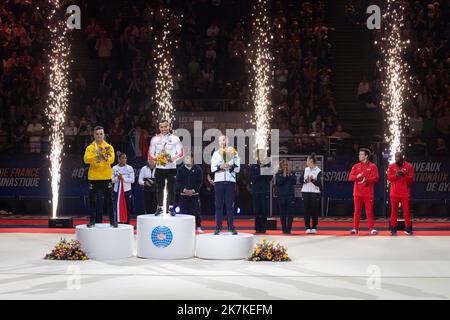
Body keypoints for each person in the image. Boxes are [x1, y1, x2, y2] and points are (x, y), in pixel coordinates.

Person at [148, 119, 184, 216]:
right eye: (162, 127)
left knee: (171, 189)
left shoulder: (175, 138)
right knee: (159, 188)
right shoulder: (154, 139)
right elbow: (151, 154)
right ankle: (160, 207)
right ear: (159, 127)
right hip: (160, 168)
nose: (164, 128)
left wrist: (173, 158)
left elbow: (181, 152)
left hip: (171, 168)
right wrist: (157, 159)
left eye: (166, 126)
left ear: (169, 127)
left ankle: (171, 208)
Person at [83, 126, 116, 228]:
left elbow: (112, 159)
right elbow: (86, 159)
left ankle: (112, 221)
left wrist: (104, 157)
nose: (99, 136)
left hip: (106, 177)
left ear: (104, 134)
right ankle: (92, 221)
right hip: (93, 177)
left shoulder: (109, 147)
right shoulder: (90, 148)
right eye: (97, 134)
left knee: (110, 200)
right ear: (94, 135)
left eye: (101, 134)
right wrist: (97, 156)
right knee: (92, 200)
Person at [211, 135, 240, 235]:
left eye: (224, 140)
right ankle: (218, 227)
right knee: (218, 205)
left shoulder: (234, 153)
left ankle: (231, 227)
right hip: (219, 182)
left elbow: (238, 168)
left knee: (230, 206)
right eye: (221, 140)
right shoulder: (215, 154)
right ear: (219, 142)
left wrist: (230, 166)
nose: (223, 142)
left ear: (228, 141)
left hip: (230, 182)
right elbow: (212, 168)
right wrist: (220, 166)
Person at [348, 148, 379, 235]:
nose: (359, 156)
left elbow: (376, 178)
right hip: (357, 192)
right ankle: (355, 228)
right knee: (357, 210)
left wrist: (366, 180)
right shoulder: (356, 166)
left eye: (361, 154)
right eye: (359, 154)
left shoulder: (373, 166)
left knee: (369, 210)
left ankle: (372, 228)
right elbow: (350, 177)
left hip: (368, 192)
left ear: (366, 156)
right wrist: (357, 176)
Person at [387, 152, 414, 235]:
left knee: (406, 210)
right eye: (395, 157)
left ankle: (408, 228)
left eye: (398, 157)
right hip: (394, 193)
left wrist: (404, 175)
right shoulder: (391, 166)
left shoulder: (409, 166)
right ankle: (393, 228)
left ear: (402, 157)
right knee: (394, 210)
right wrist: (396, 175)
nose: (396, 158)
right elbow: (389, 178)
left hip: (405, 193)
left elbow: (411, 179)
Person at [176, 154, 204, 233]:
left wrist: (193, 190)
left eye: (188, 158)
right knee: (183, 212)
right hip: (183, 195)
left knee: (196, 211)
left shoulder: (198, 169)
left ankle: (198, 226)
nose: (187, 160)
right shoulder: (180, 169)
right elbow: (178, 181)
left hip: (194, 195)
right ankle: (183, 228)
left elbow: (199, 181)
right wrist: (184, 190)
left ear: (192, 159)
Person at [250, 149, 273, 234]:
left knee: (264, 210)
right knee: (257, 210)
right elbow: (252, 178)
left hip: (264, 191)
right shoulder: (253, 165)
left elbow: (270, 177)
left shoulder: (268, 165)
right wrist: (261, 173)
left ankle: (263, 228)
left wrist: (265, 171)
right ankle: (257, 227)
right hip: (256, 191)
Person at [301, 153, 322, 234]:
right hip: (305, 192)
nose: (306, 161)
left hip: (314, 193)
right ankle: (307, 227)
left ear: (311, 161)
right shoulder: (306, 169)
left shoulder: (318, 170)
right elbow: (300, 180)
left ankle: (314, 226)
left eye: (307, 160)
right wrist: (306, 180)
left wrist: (312, 180)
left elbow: (319, 183)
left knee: (314, 211)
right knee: (306, 210)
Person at [112, 152, 135, 224]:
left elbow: (132, 180)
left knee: (127, 207)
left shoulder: (129, 168)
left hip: (127, 191)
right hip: (117, 191)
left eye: (125, 158)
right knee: (117, 207)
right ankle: (117, 222)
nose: (125, 159)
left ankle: (127, 223)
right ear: (119, 159)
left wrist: (123, 178)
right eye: (123, 158)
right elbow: (112, 180)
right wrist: (118, 178)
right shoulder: (114, 168)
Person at [275, 159, 296, 234]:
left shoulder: (292, 173)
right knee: (282, 213)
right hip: (282, 196)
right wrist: (284, 176)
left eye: (286, 165)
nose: (285, 166)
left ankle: (289, 228)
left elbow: (294, 182)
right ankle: (284, 229)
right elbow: (278, 183)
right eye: (284, 165)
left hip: (290, 195)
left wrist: (289, 175)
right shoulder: (278, 174)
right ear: (281, 166)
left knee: (290, 213)